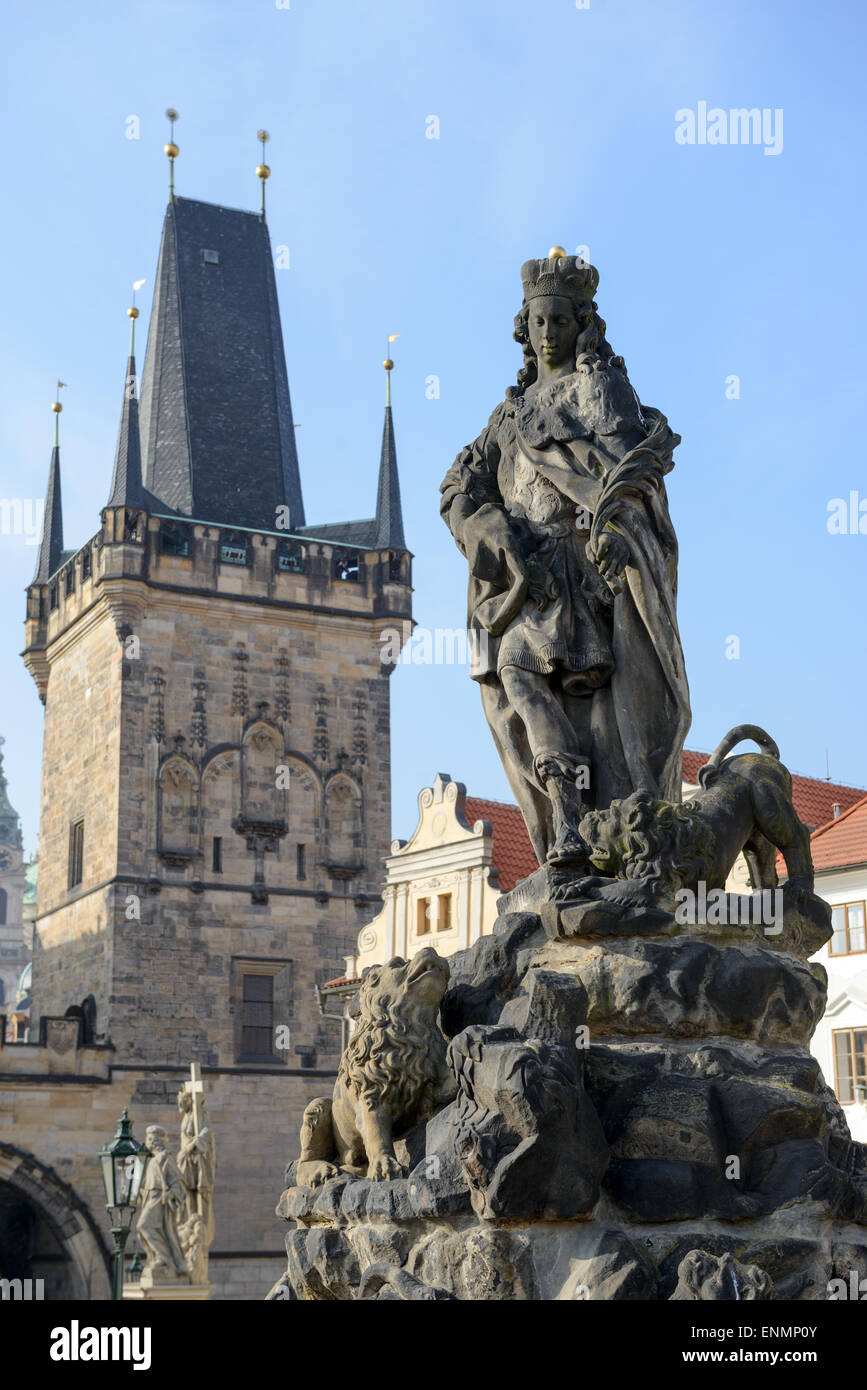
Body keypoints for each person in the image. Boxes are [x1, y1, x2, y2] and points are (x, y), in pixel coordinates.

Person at [440, 251, 690, 868]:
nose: (549, 332)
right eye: (539, 321)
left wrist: (616, 528)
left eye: (560, 320)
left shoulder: (600, 389)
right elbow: (456, 487)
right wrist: (486, 522)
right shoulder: (507, 417)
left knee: (604, 719)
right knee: (514, 675)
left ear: (581, 325)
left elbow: (633, 473)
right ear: (525, 330)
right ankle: (566, 827)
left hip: (589, 571)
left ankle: (604, 834)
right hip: (529, 577)